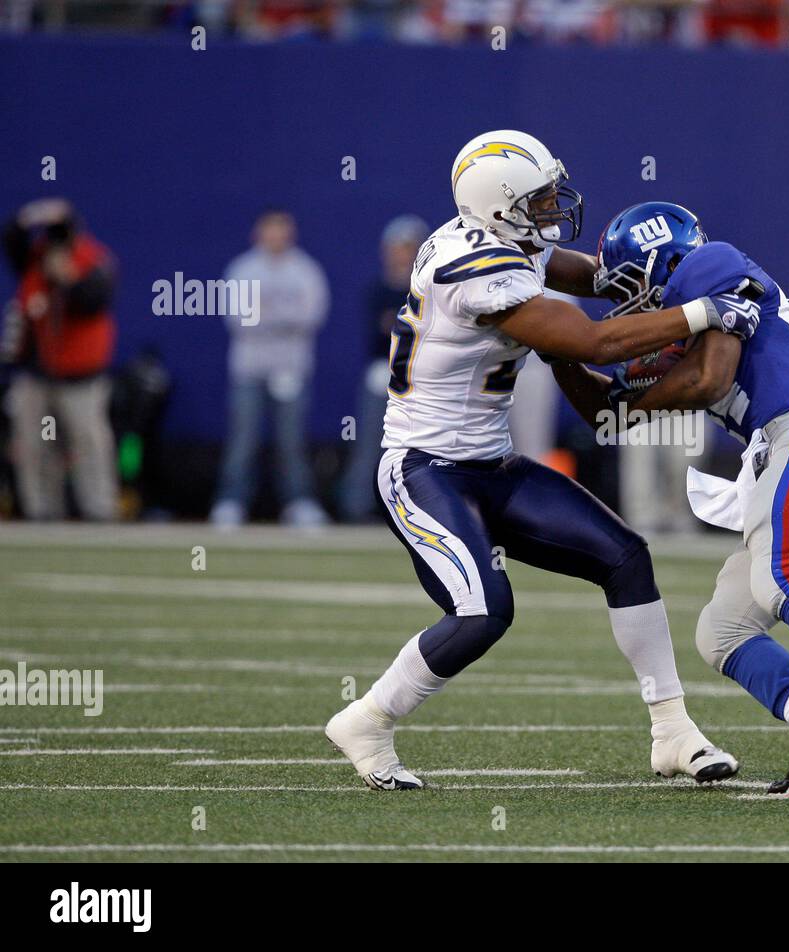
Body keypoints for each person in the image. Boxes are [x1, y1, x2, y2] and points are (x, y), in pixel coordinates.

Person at [325, 132, 751, 790]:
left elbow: (575, 270)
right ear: (500, 207)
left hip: (491, 466)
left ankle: (673, 732)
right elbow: (594, 342)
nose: (555, 207)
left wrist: (635, 275)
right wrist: (702, 311)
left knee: (624, 555)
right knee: (482, 612)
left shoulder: (500, 236)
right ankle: (367, 719)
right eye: (541, 197)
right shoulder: (476, 272)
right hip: (422, 470)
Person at [560, 200, 789, 799]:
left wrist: (618, 371)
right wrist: (557, 352)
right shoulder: (688, 328)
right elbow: (608, 412)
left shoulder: (710, 262)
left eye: (632, 285)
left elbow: (710, 380)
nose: (632, 303)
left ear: (663, 263)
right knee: (721, 631)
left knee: (783, 574)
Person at [210, 209, 330, 529]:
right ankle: (231, 501)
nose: (276, 236)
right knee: (243, 438)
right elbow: (238, 318)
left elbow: (311, 316)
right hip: (249, 369)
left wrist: (266, 313)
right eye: (270, 230)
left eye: (282, 230)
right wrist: (282, 317)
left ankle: (299, 501)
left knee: (291, 440)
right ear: (258, 233)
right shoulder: (242, 269)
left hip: (292, 370)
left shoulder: (305, 270)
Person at [2, 198, 117, 521]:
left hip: (81, 377)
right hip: (37, 374)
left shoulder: (92, 260)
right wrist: (29, 215)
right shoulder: (35, 258)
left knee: (88, 443)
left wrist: (68, 280)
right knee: (36, 445)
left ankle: (99, 510)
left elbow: (95, 300)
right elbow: (10, 239)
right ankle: (42, 511)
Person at [338, 214, 428, 523]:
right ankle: (356, 505)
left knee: (417, 448)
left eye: (409, 247)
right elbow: (386, 331)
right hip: (383, 372)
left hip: (419, 376)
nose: (403, 254)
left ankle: (413, 507)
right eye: (398, 247)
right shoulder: (379, 288)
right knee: (370, 443)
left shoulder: (426, 287)